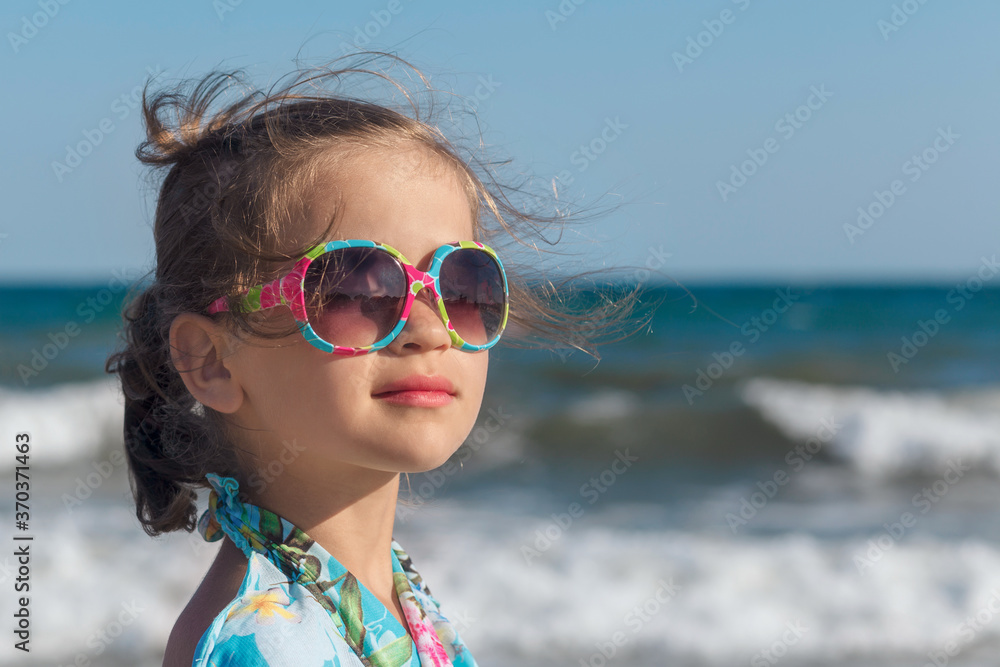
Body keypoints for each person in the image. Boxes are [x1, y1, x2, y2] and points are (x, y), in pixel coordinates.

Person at [105, 53, 650, 666]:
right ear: (212, 362)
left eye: (464, 286)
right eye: (357, 290)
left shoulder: (386, 600)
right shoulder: (265, 644)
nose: (429, 329)